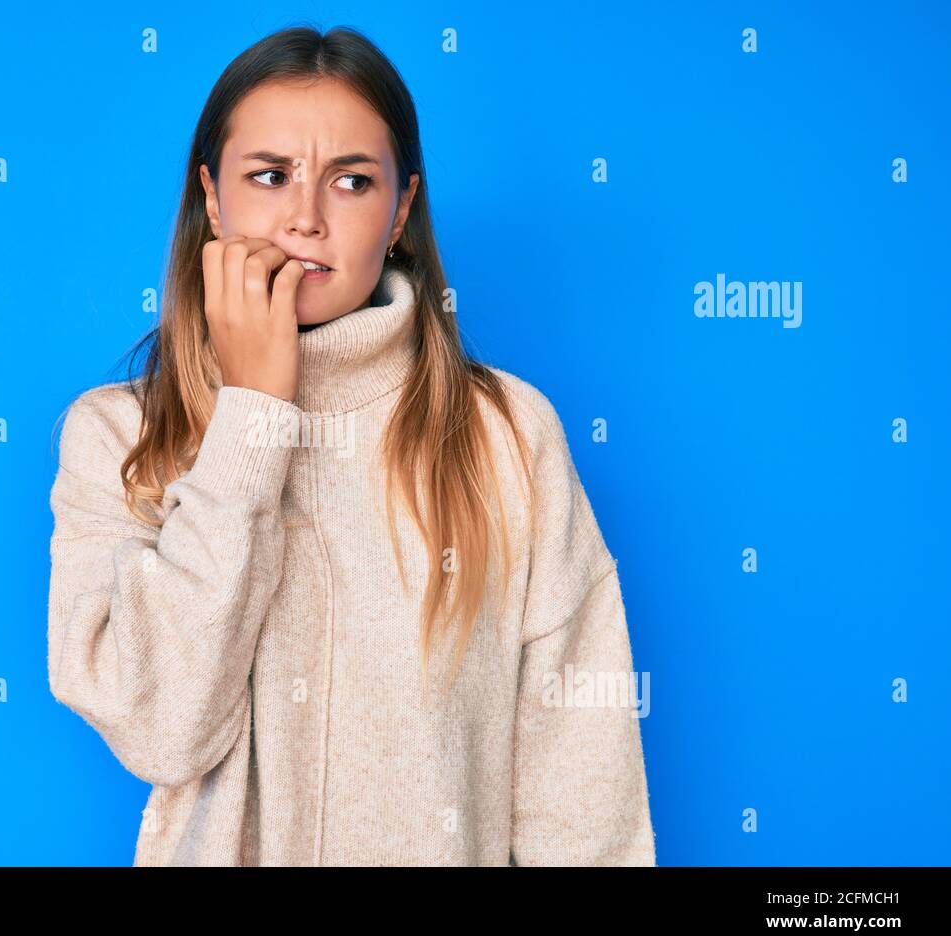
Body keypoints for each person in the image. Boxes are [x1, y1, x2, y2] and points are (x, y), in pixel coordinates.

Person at [46, 25, 656, 866]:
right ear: (213, 199)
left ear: (400, 209)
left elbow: (584, 791)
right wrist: (252, 413)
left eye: (352, 181)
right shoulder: (119, 436)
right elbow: (163, 731)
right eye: (269, 176)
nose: (305, 218)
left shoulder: (509, 436)